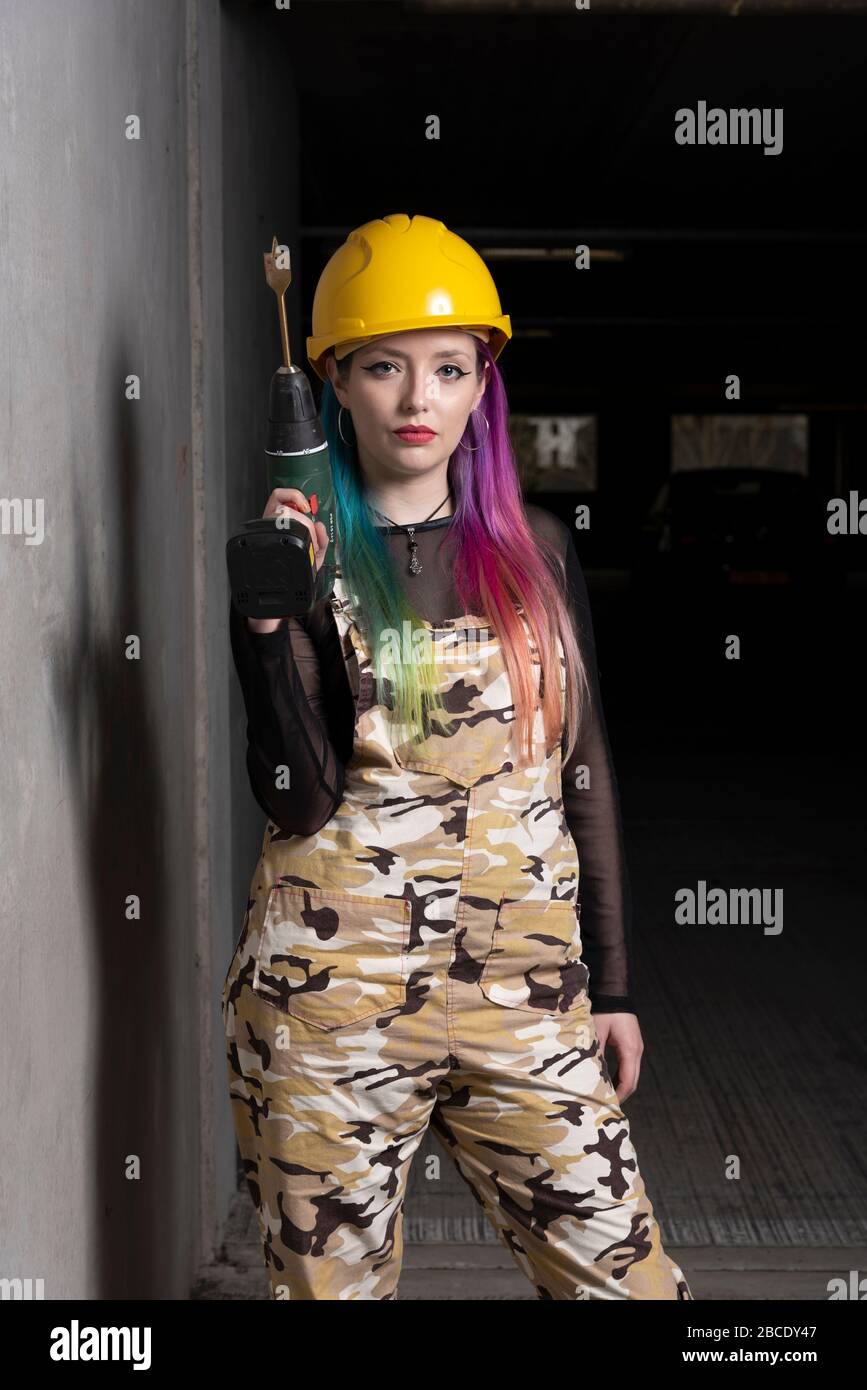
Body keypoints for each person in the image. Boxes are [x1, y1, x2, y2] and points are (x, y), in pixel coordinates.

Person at [221, 212, 693, 1301]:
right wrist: (264, 631)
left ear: (485, 383)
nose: (416, 398)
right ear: (335, 380)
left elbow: (588, 771)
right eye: (384, 367)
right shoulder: (305, 562)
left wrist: (611, 985)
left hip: (524, 998)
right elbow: (297, 799)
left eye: (447, 367)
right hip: (334, 1007)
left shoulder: (538, 553)